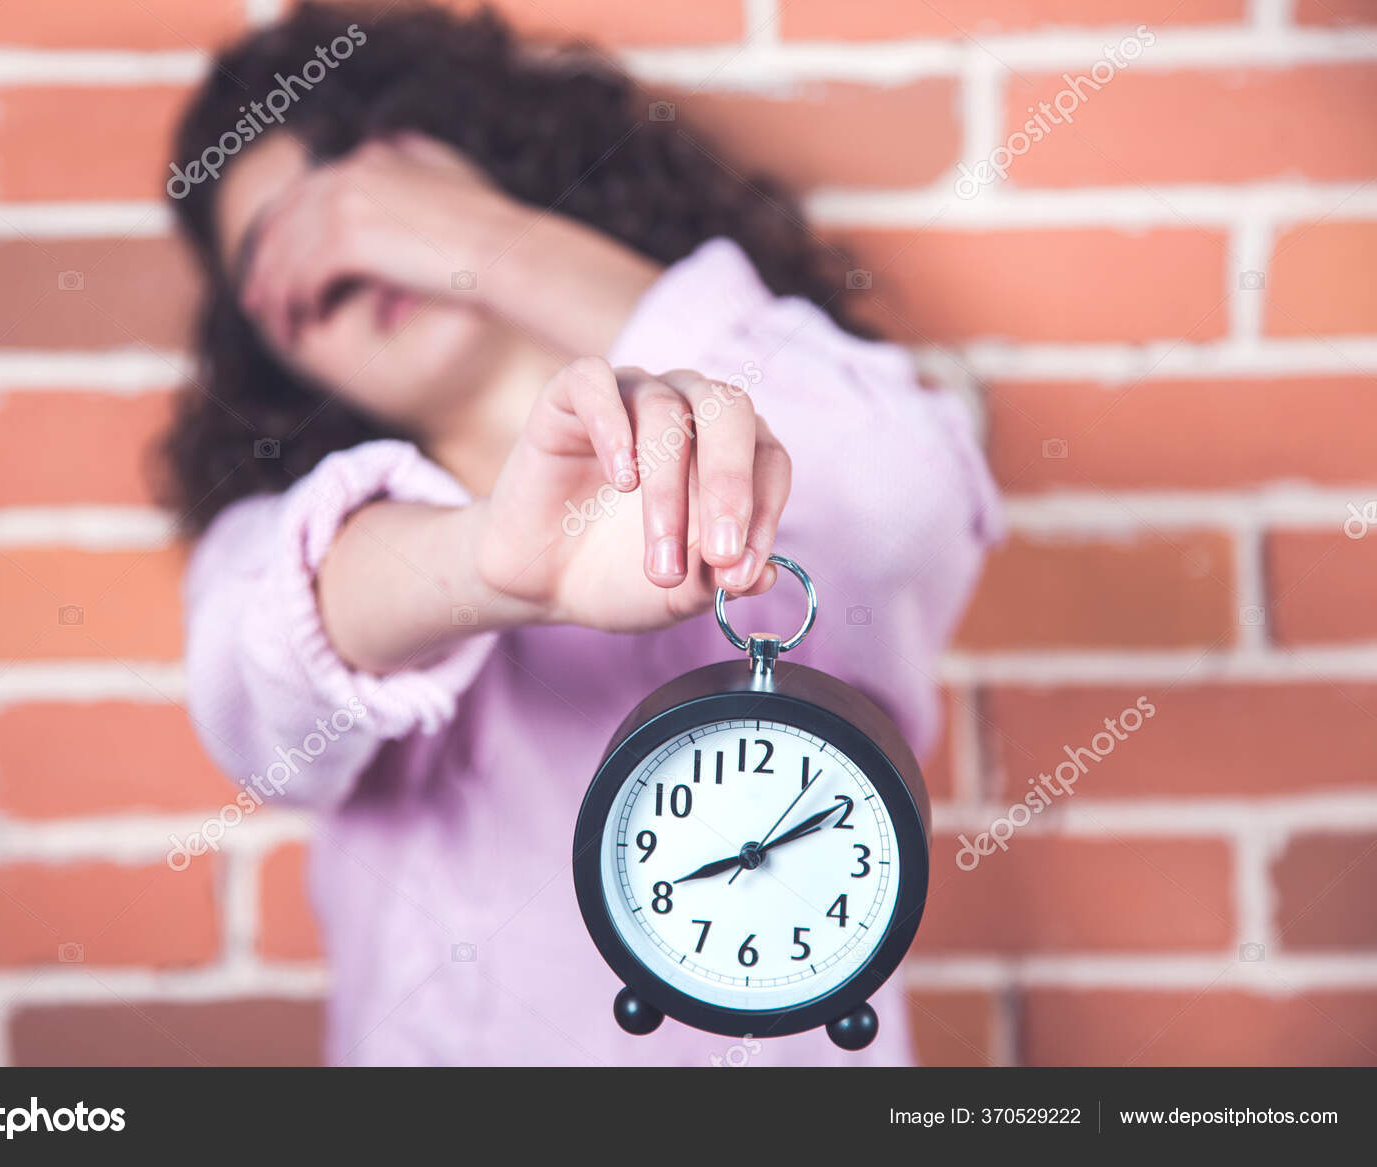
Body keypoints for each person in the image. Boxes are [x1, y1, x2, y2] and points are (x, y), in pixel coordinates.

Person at [164, 1, 1001, 1065]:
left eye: (357, 193)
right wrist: (495, 565)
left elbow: (900, 487)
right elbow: (262, 665)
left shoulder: (797, 413)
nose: (335, 246)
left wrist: (480, 241)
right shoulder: (286, 543)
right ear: (271, 351)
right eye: (272, 255)